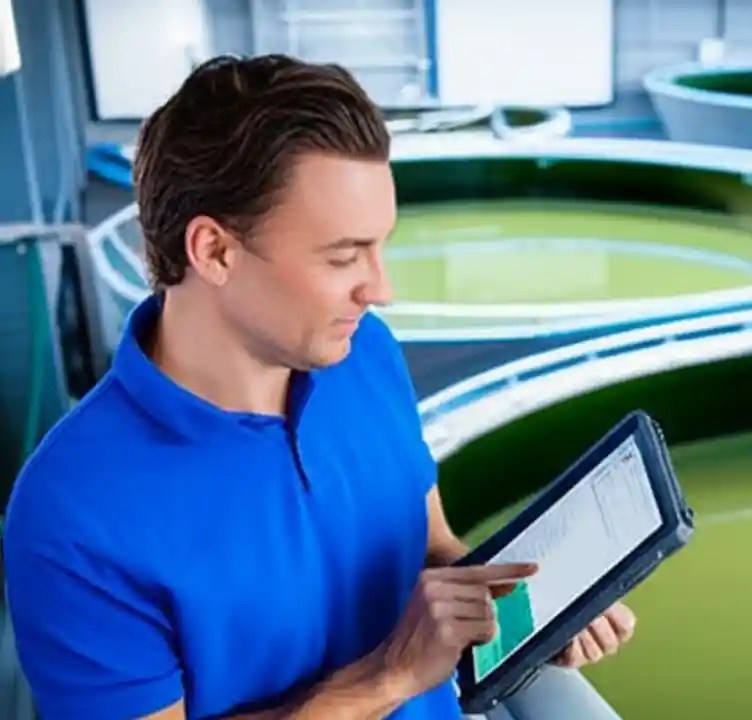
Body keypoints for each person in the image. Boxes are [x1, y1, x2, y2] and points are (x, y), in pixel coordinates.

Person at [2, 54, 636, 719]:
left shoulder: (364, 354)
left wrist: (533, 607)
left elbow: (432, 547)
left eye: (380, 247)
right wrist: (385, 679)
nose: (381, 289)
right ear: (214, 251)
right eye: (343, 256)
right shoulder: (72, 515)